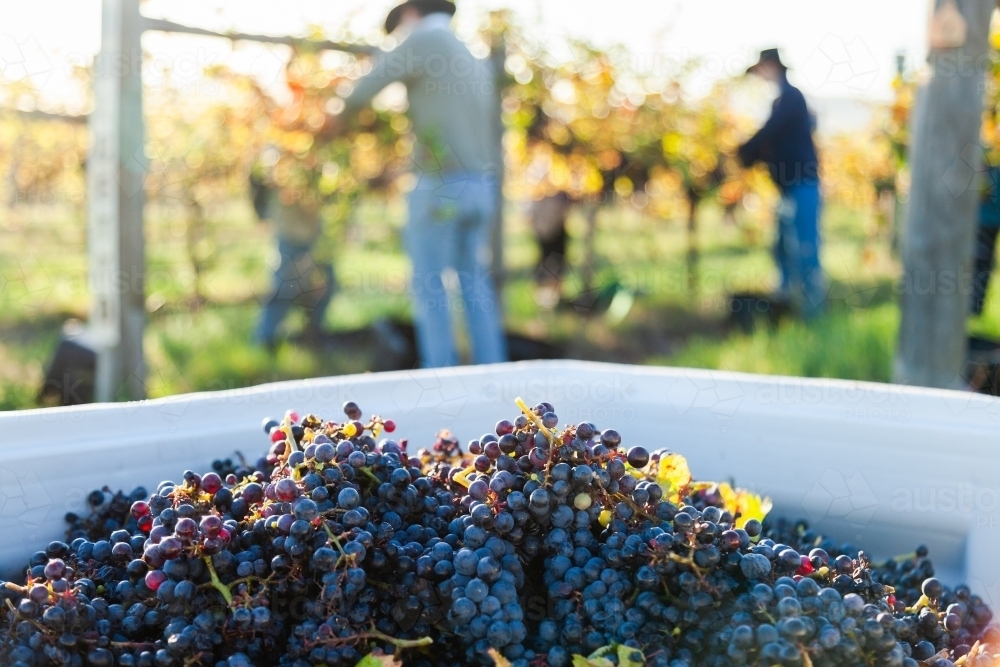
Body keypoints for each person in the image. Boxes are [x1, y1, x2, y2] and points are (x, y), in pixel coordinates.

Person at [328, 0, 507, 368]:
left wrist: (329, 120)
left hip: (441, 186)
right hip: (479, 186)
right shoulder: (471, 56)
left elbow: (362, 91)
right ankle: (493, 373)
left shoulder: (424, 40)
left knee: (430, 287)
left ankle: (441, 381)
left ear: (410, 15)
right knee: (474, 284)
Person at [738, 48, 824, 318]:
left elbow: (771, 132)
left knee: (805, 248)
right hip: (788, 188)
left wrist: (746, 151)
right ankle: (785, 305)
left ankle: (812, 312)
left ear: (772, 66)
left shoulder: (791, 98)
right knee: (783, 248)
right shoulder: (783, 100)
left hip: (802, 185)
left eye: (761, 69)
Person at [252, 177, 337, 349]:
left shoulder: (323, 162)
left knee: (325, 286)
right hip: (290, 234)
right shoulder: (280, 161)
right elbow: (259, 183)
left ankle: (312, 336)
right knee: (284, 289)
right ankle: (263, 340)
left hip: (315, 234)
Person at [972, 160, 1000, 316]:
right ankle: (972, 307)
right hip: (985, 216)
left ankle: (974, 306)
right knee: (980, 261)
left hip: (989, 215)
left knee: (982, 261)